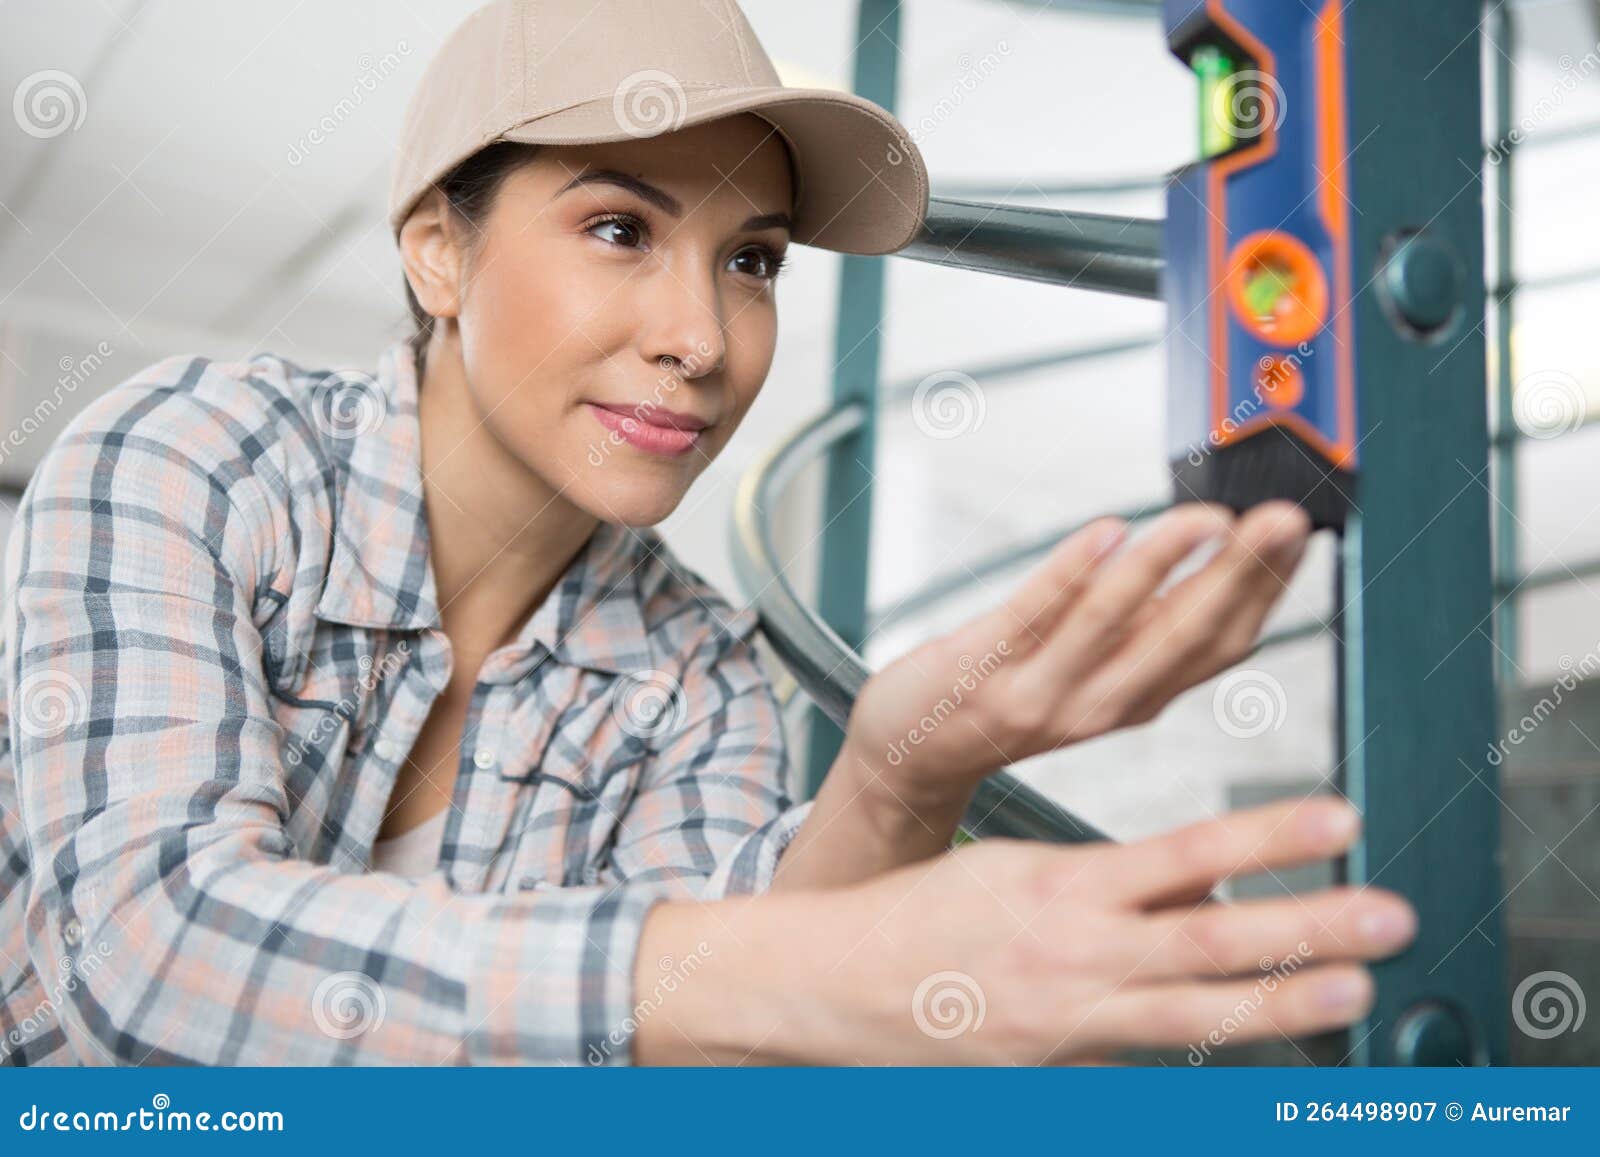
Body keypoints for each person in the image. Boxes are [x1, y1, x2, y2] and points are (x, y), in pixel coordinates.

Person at [0, 0, 1414, 1067]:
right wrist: (818, 973)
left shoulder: (698, 668)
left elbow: (691, 1073)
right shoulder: (196, 453)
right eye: (619, 227)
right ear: (440, 249)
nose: (703, 338)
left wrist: (895, 778)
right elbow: (151, 951)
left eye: (751, 261)